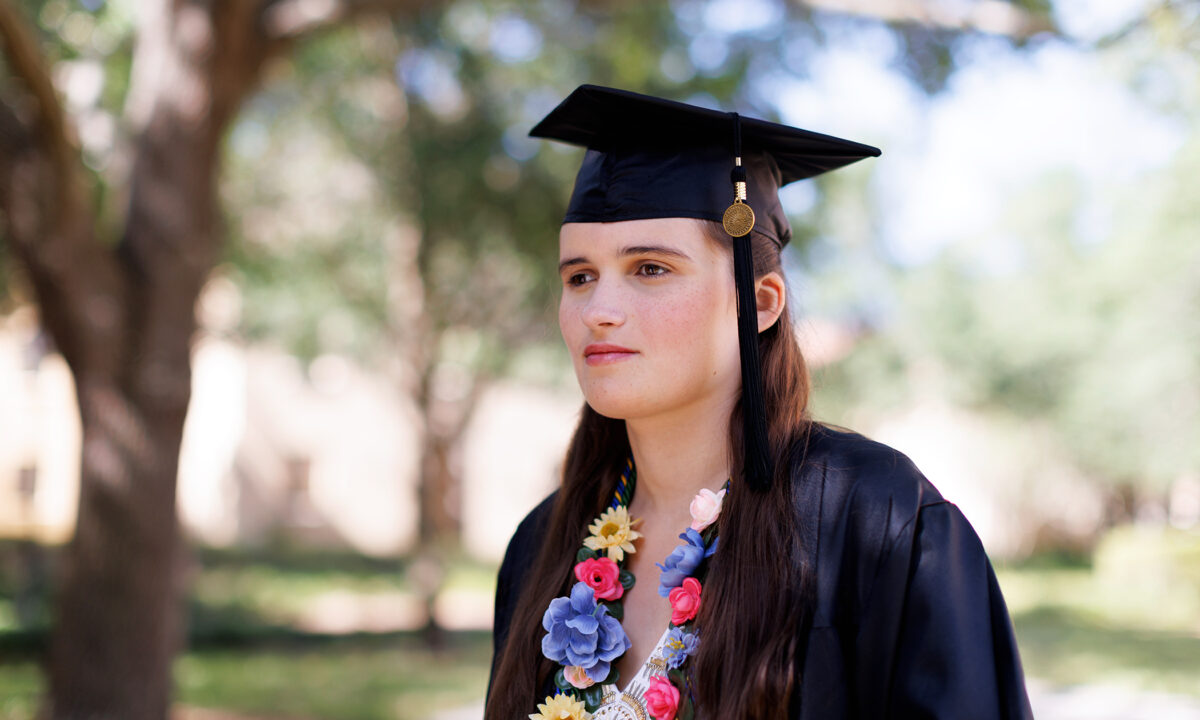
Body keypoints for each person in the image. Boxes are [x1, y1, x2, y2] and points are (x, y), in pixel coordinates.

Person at [485, 85, 1033, 720]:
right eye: (580, 277)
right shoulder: (540, 548)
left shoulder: (870, 519)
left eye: (651, 269)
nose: (599, 312)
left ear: (761, 303)